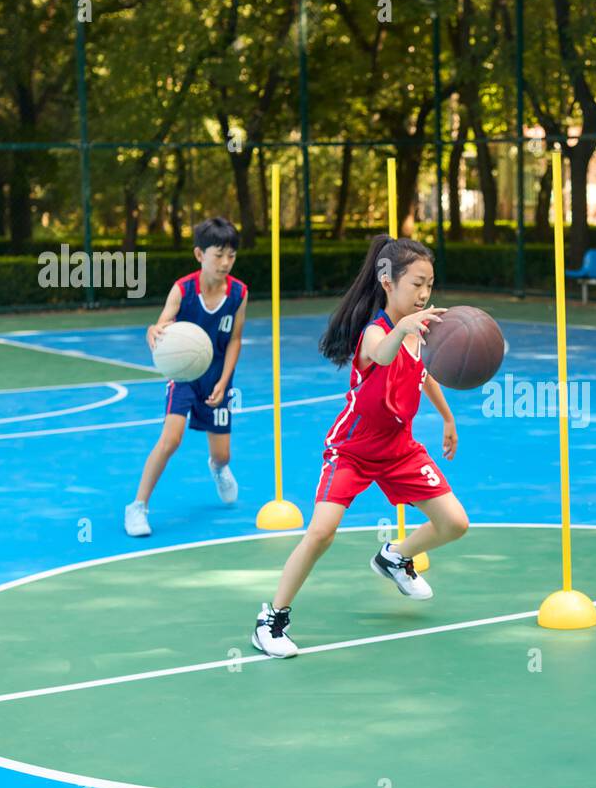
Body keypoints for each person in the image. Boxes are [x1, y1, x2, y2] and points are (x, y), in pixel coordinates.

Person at [252, 235, 470, 659]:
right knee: (321, 532)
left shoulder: (420, 331)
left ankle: (394, 557)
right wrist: (403, 328)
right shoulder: (377, 330)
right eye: (417, 284)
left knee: (455, 524)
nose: (425, 294)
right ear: (388, 283)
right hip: (352, 449)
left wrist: (447, 417)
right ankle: (271, 619)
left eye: (430, 284)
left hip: (400, 449)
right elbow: (382, 356)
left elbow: (424, 374)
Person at [126, 216, 246, 537]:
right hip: (183, 376)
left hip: (217, 378)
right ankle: (138, 507)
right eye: (217, 255)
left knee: (223, 455)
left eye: (231, 256)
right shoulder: (183, 290)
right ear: (199, 255)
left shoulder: (238, 293)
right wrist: (154, 331)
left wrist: (224, 381)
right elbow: (162, 324)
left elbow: (234, 339)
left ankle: (218, 468)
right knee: (170, 440)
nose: (225, 262)